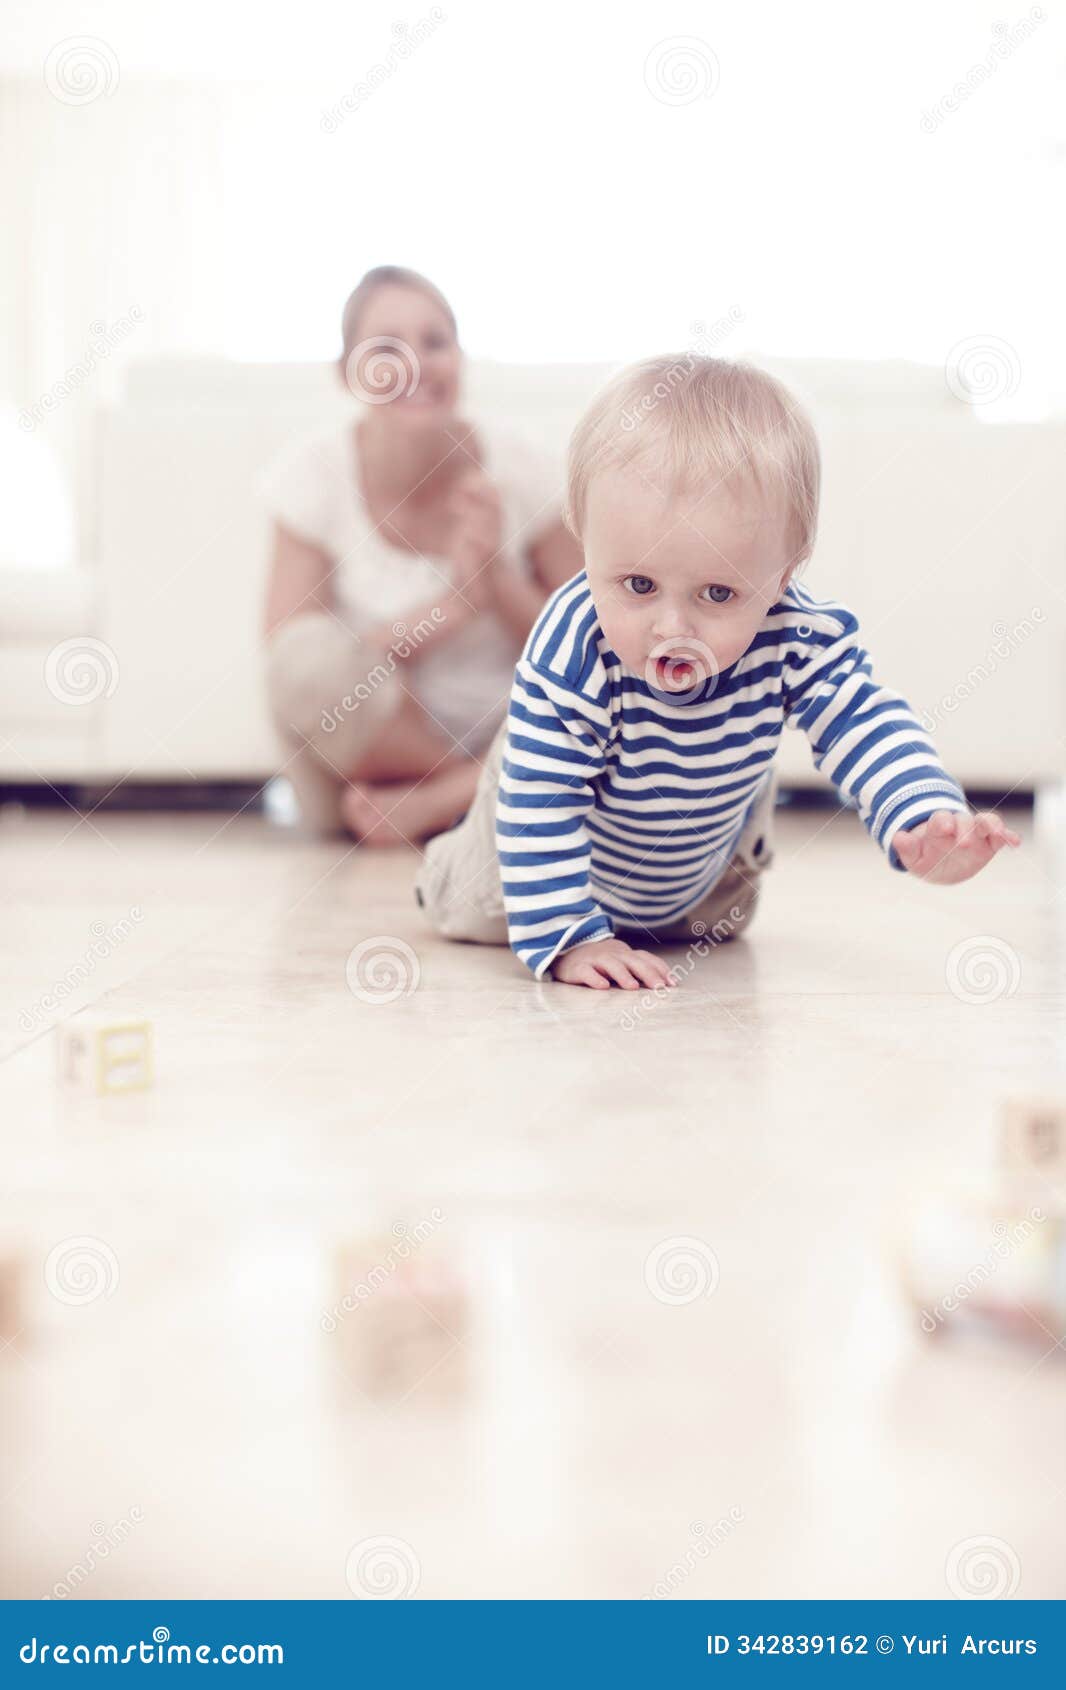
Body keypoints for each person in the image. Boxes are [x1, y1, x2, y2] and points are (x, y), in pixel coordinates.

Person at [415, 355, 1021, 986]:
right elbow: (542, 801)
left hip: (695, 886)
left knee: (720, 917)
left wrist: (921, 816)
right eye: (640, 584)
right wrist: (569, 940)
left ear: (783, 576)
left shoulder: (794, 634)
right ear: (584, 539)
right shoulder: (577, 643)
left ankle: (668, 901)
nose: (672, 627)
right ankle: (455, 861)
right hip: (529, 863)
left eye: (718, 595)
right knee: (482, 884)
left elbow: (861, 717)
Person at [262, 265, 582, 842]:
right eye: (386, 347)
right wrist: (450, 610)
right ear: (346, 372)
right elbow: (293, 663)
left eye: (435, 342)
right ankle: (469, 796)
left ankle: (440, 807)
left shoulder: (524, 467)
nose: (414, 364)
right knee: (304, 660)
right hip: (371, 760)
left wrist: (496, 578)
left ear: (460, 358)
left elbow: (590, 645)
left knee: (627, 686)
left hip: (509, 731)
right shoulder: (312, 476)